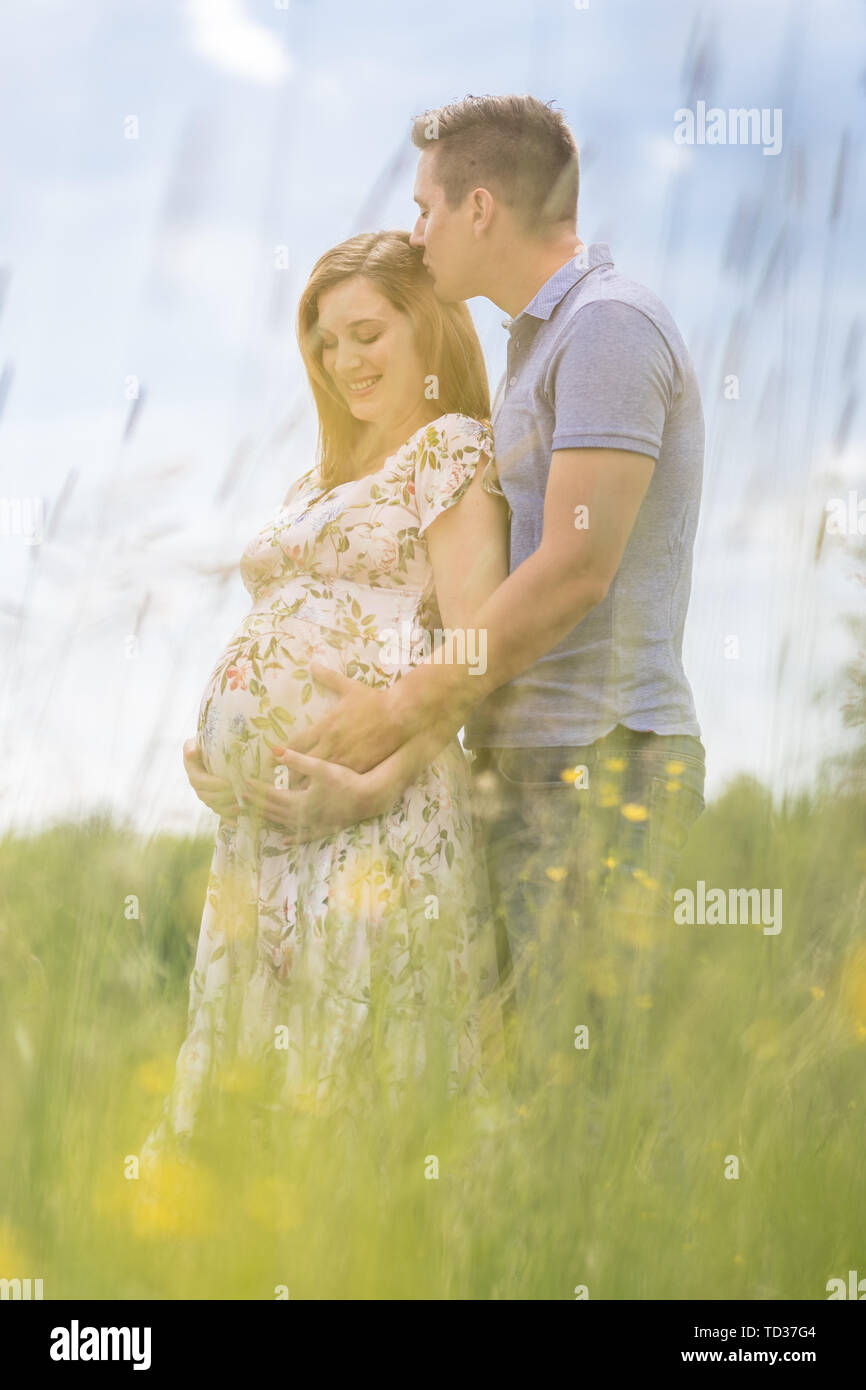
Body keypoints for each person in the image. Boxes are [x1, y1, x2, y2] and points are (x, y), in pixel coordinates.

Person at [273, 95, 707, 1125]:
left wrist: (402, 707)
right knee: (522, 1108)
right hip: (529, 770)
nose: (415, 232)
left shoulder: (605, 327)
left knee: (589, 1111)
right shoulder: (537, 347)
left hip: (599, 766)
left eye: (423, 208)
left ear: (478, 207)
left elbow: (571, 568)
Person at [141, 229, 511, 1165]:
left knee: (363, 1087)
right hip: (266, 836)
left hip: (377, 818)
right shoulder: (318, 482)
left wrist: (381, 779)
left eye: (366, 334)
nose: (343, 360)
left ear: (426, 330)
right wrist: (224, 753)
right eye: (324, 342)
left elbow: (477, 648)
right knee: (253, 1101)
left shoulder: (451, 454)